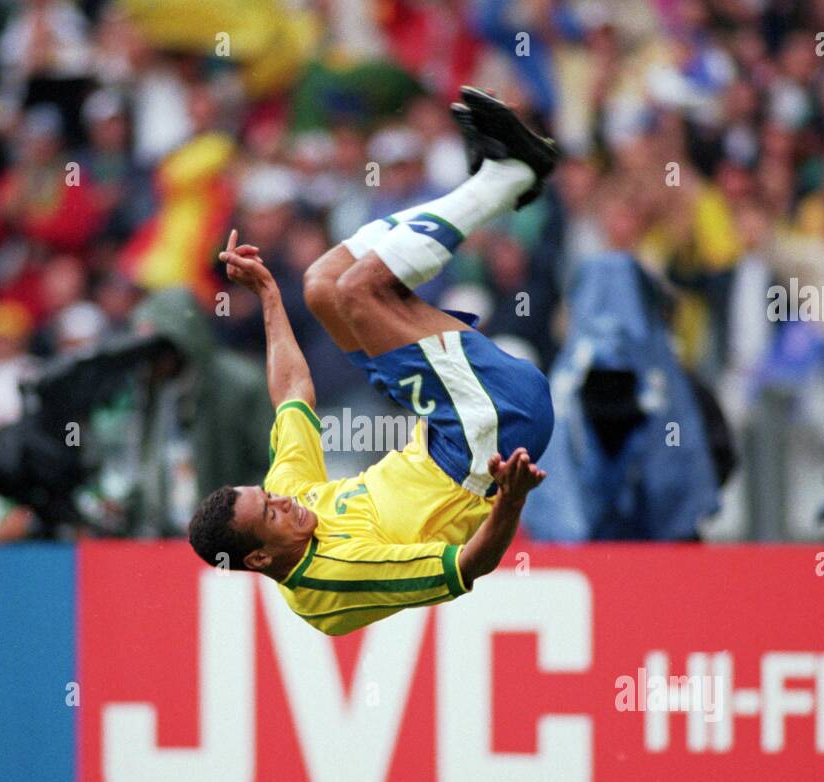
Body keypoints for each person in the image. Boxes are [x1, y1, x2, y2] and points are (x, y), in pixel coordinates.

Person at [187, 88, 556, 636]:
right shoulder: (330, 584)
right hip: (488, 439)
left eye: (269, 495)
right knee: (361, 290)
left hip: (443, 423)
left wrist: (268, 294)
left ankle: (499, 180)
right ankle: (506, 179)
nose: (284, 501)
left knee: (322, 286)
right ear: (262, 559)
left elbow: (291, 391)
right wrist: (512, 501)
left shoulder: (291, 499)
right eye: (271, 514)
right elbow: (469, 566)